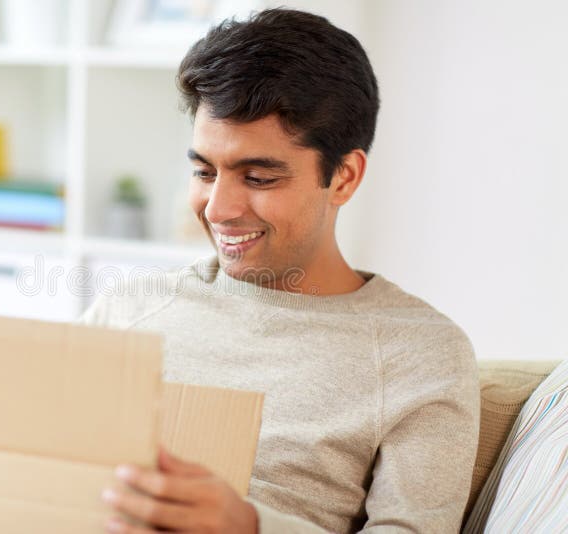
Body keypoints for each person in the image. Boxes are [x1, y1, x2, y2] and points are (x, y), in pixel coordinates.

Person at [82, 8, 480, 534]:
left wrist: (250, 526)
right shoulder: (129, 308)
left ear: (343, 176)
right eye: (204, 171)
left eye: (259, 177)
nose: (217, 208)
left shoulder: (419, 352)